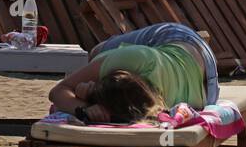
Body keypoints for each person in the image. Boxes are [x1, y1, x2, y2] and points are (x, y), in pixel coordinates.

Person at [48, 22, 219, 124]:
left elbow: (58, 93)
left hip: (206, 79)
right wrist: (86, 102)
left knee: (96, 55)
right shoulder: (138, 58)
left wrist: (84, 106)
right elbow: (58, 92)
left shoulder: (141, 62)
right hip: (181, 43)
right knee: (96, 52)